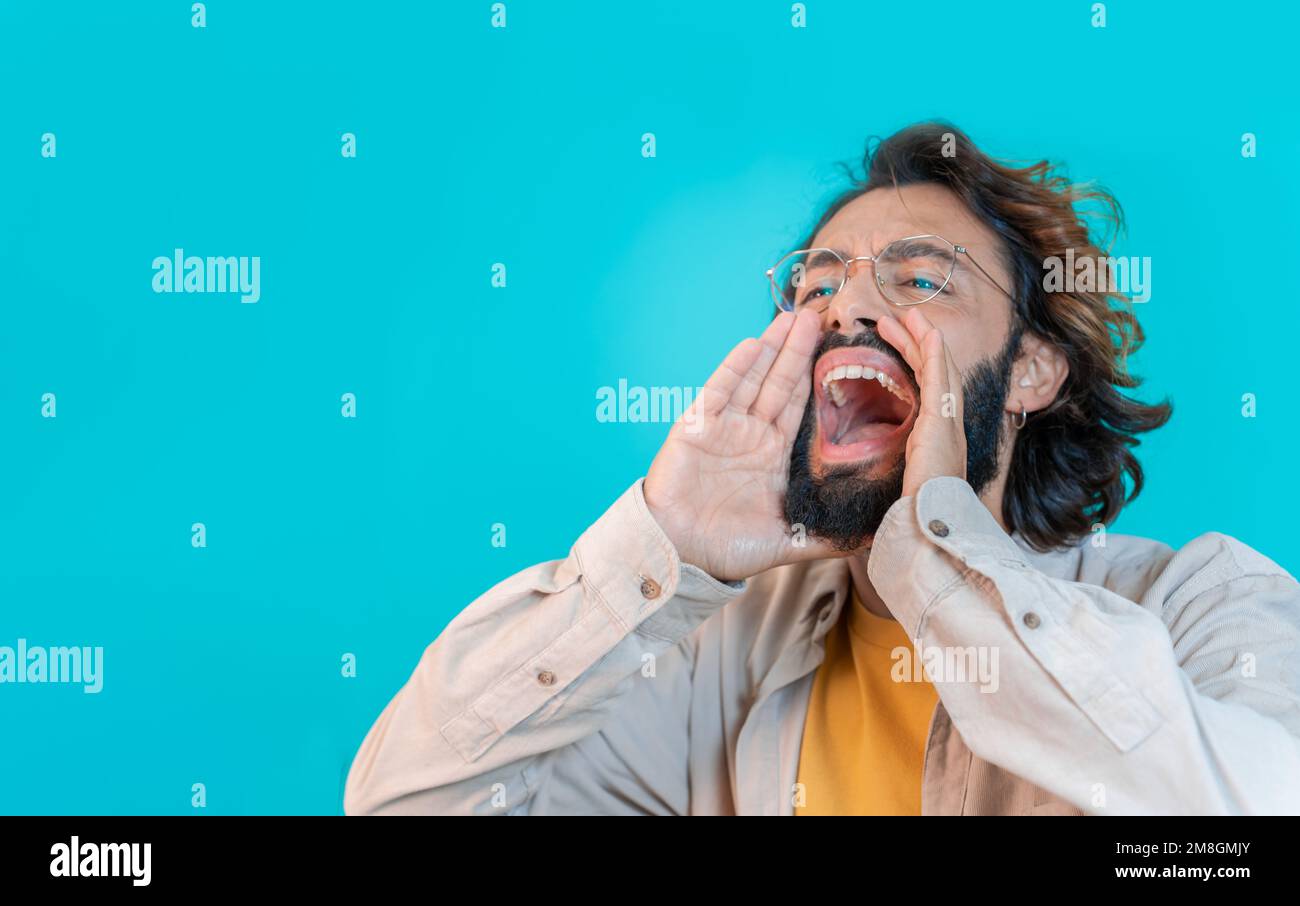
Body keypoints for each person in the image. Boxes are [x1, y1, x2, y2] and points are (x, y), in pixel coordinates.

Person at [344, 123, 1300, 815]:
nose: (849, 305)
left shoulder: (1203, 604)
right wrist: (663, 546)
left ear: (1033, 370)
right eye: (819, 281)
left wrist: (943, 555)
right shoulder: (713, 658)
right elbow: (404, 802)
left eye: (923, 279)